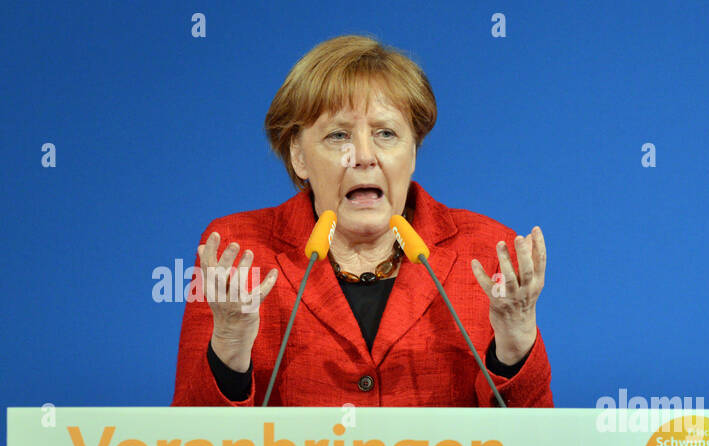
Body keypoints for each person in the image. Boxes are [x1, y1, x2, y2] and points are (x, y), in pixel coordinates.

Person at [171, 35, 553, 407]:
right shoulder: (240, 252)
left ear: (413, 152)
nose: (364, 156)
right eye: (339, 136)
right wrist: (229, 347)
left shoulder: (486, 251)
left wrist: (515, 347)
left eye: (386, 134)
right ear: (299, 156)